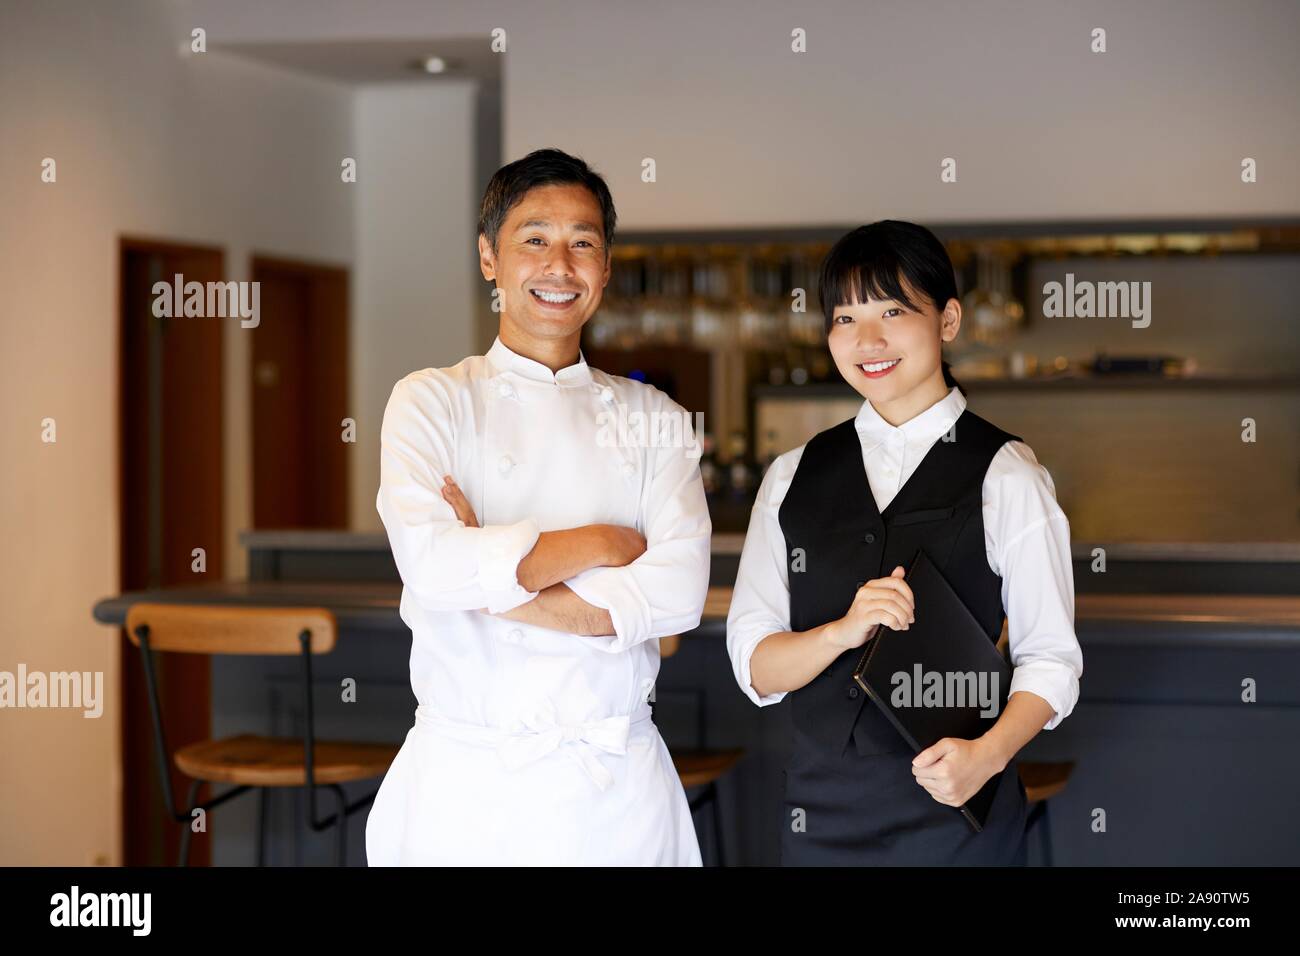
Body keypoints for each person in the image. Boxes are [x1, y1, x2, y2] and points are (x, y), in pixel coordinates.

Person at [365, 148, 710, 865]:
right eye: (534, 239)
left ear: (606, 267)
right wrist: (603, 542)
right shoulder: (432, 400)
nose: (560, 265)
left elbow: (677, 595)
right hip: (468, 794)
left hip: (614, 793)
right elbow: (432, 569)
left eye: (583, 242)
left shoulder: (656, 418)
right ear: (489, 257)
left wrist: (489, 572)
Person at [725, 220, 1083, 865]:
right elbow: (754, 664)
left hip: (955, 811)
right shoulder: (791, 476)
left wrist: (988, 755)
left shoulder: (1007, 474)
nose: (868, 340)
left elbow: (1052, 660)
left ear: (947, 320)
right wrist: (842, 631)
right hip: (821, 814)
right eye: (844, 318)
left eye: (894, 310)